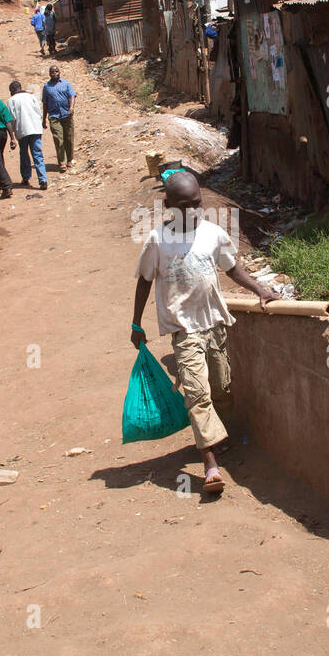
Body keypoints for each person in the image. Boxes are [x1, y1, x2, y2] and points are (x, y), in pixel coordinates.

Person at [130, 171, 277, 495]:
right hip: (184, 330)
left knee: (221, 387)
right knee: (197, 393)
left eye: (197, 204)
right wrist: (136, 323)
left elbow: (231, 268)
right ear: (168, 205)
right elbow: (144, 280)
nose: (193, 211)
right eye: (184, 206)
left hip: (215, 323)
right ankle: (209, 461)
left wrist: (259, 289)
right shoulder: (158, 240)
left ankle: (217, 436)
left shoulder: (212, 233)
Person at [7, 79, 47, 190]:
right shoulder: (31, 97)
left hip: (23, 130)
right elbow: (39, 112)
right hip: (35, 129)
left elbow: (11, 117)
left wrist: (13, 133)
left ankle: (26, 178)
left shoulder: (12, 100)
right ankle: (43, 179)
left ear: (13, 89)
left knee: (24, 154)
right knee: (37, 154)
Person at [41, 64, 77, 172]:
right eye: (52, 72)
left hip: (67, 115)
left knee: (69, 138)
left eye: (56, 71)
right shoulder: (47, 87)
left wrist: (71, 107)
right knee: (58, 139)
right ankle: (62, 162)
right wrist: (43, 119)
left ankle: (70, 159)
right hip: (54, 116)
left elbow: (72, 96)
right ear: (49, 74)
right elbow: (45, 104)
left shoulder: (66, 84)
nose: (55, 73)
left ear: (59, 72)